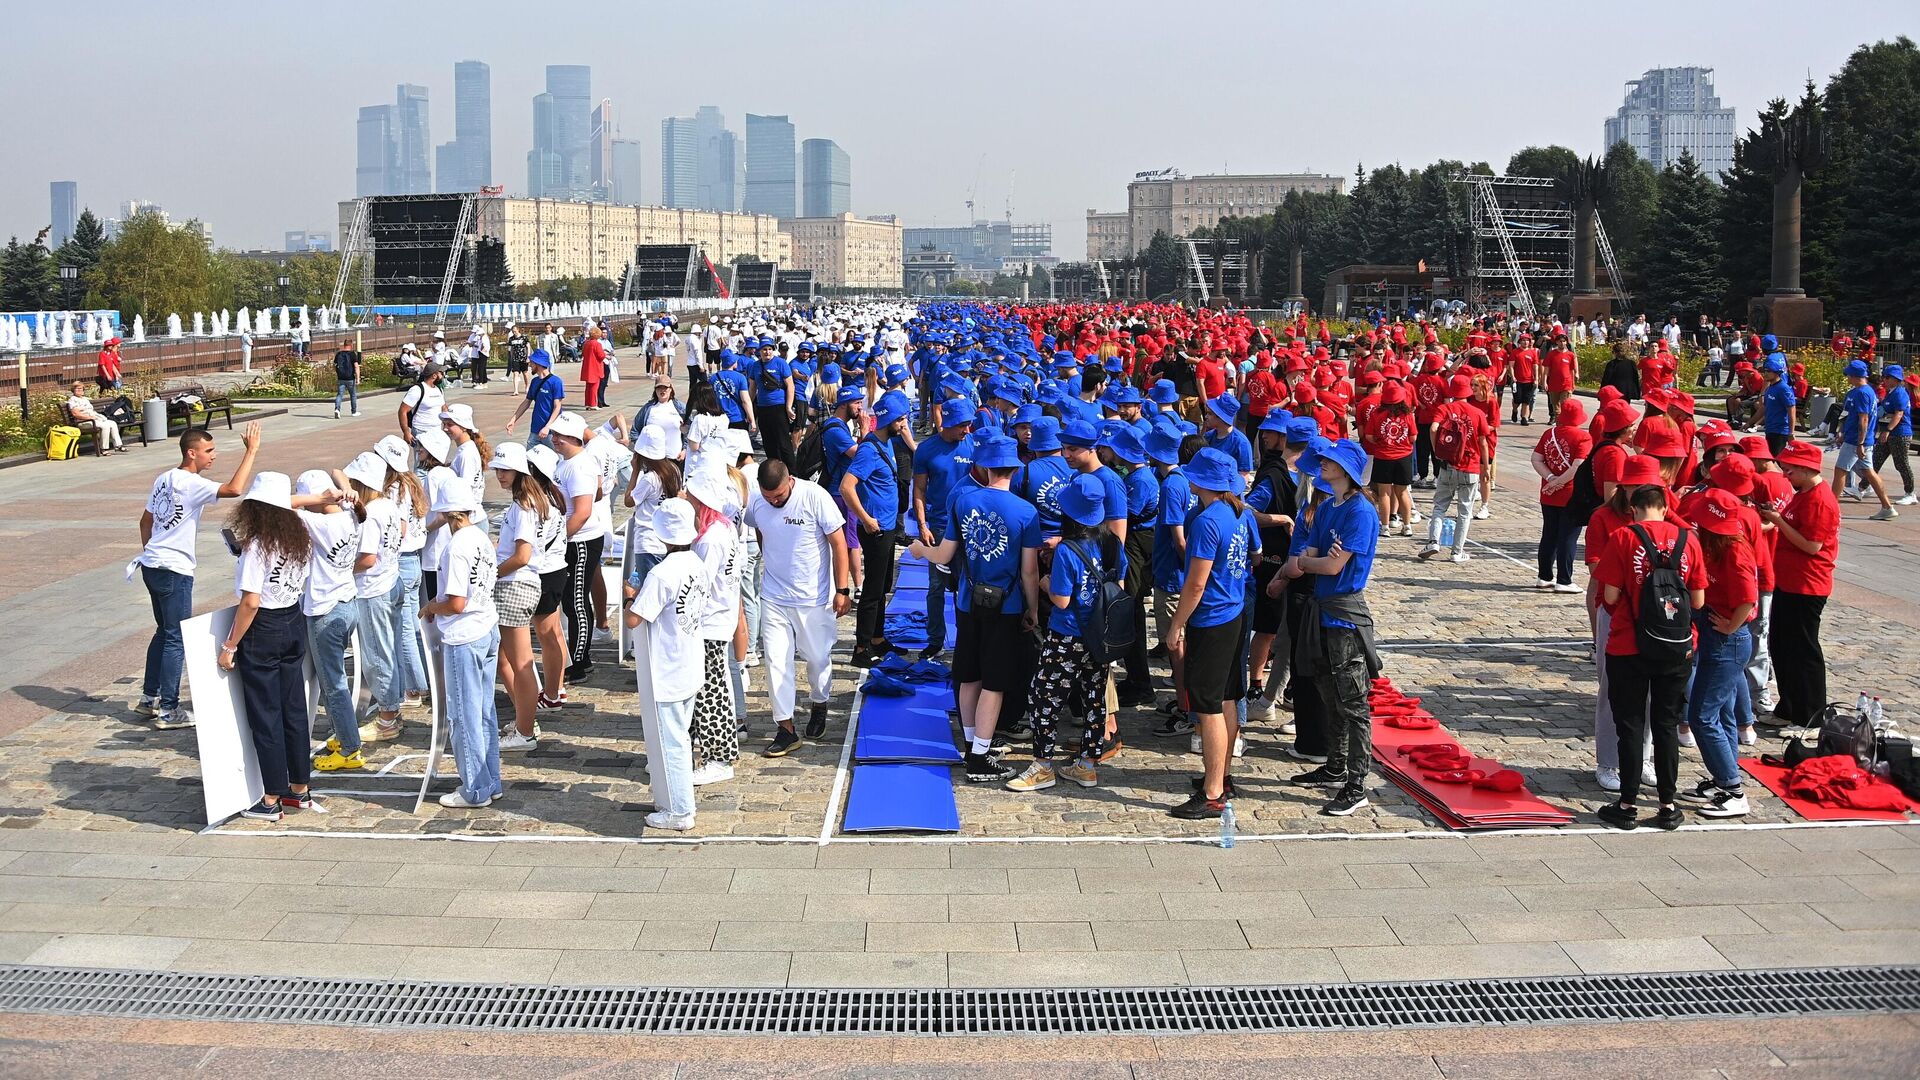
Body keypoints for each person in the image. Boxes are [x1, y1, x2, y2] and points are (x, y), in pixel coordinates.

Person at [1593, 482, 1706, 830]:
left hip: (1629, 643)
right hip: (1676, 645)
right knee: (1666, 725)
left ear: (1634, 508)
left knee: (1630, 724)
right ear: (1665, 507)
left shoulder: (1625, 538)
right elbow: (1699, 601)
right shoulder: (1689, 540)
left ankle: (1627, 805)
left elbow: (1609, 595)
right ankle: (1667, 806)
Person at [134, 423, 262, 729]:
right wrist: (252, 450)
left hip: (152, 564)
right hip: (174, 569)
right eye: (209, 451)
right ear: (191, 453)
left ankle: (148, 698)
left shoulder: (164, 478)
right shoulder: (190, 482)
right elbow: (234, 489)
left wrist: (153, 551)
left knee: (163, 631)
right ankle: (169, 709)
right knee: (175, 636)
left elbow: (145, 521)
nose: (213, 456)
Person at [1283, 439, 1381, 817]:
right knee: (1329, 693)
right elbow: (1310, 554)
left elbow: (1330, 566)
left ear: (1347, 470)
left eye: (1330, 460)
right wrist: (1315, 561)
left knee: (1354, 702)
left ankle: (1356, 784)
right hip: (1322, 611)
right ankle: (1335, 764)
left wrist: (1313, 562)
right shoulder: (1328, 509)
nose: (1322, 464)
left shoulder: (1360, 512)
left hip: (1344, 615)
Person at [1166, 447, 1258, 820]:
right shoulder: (1236, 511)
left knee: (1207, 709)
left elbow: (1196, 584)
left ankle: (1213, 792)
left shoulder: (1206, 521)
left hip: (1211, 619)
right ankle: (1223, 776)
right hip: (1233, 613)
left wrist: (1176, 625)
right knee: (1227, 699)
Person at [1005, 473, 1113, 791]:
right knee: (1094, 699)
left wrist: (1044, 582)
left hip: (1067, 635)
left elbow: (1062, 600)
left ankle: (1042, 765)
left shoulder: (1068, 551)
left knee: (1044, 697)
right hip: (1099, 633)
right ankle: (1087, 765)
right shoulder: (1111, 542)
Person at [219, 472, 314, 821]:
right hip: (293, 617)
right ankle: (299, 787)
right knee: (293, 708)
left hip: (266, 627)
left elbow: (251, 602)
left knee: (266, 714)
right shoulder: (298, 535)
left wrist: (230, 645)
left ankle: (271, 795)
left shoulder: (258, 546)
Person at [747, 459, 854, 756]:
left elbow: (838, 542)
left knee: (817, 657)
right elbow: (761, 532)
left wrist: (842, 589)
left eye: (779, 496)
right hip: (774, 596)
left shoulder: (814, 496)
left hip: (814, 598)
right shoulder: (758, 503)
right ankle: (785, 728)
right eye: (769, 498)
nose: (774, 501)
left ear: (789, 481)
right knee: (776, 662)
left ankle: (820, 702)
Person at [624, 500, 709, 831]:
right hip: (688, 660)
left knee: (671, 742)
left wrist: (631, 595)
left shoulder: (662, 573)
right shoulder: (695, 562)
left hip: (667, 669)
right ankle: (677, 800)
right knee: (680, 738)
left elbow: (634, 617)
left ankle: (680, 810)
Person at [421, 471, 503, 809]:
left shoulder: (456, 548)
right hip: (486, 627)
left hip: (464, 635)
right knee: (484, 711)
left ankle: (474, 788)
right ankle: (491, 779)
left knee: (463, 715)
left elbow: (455, 602)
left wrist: (429, 607)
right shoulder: (481, 537)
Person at [1678, 489, 1758, 819]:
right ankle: (1723, 781)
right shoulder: (1718, 545)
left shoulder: (1736, 553)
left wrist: (1729, 626)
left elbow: (1748, 600)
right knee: (1721, 714)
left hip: (1729, 641)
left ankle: (1734, 789)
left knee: (1702, 715)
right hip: (1718, 637)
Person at [1761, 441, 1839, 731]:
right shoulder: (1803, 492)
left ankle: (1810, 714)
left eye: (1790, 469)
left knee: (1803, 651)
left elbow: (1811, 545)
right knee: (1781, 646)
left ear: (1808, 469)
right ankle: (1789, 707)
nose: (1785, 474)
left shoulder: (1821, 499)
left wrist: (1778, 521)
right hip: (1788, 581)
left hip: (1807, 585)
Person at [295, 470, 367, 773]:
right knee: (334, 679)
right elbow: (343, 482)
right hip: (348, 601)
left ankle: (350, 749)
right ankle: (344, 733)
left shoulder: (319, 522)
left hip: (325, 609)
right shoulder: (351, 513)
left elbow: (274, 504)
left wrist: (318, 497)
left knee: (333, 682)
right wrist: (345, 488)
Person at [339, 451, 409, 748]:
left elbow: (367, 558)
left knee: (377, 656)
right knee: (390, 649)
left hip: (373, 589)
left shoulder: (372, 513)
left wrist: (341, 568)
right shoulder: (387, 504)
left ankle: (387, 719)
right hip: (390, 580)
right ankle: (392, 707)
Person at [490, 443, 557, 752]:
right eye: (497, 469)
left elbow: (522, 555)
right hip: (520, 583)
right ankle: (524, 720)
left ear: (519, 471)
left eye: (504, 469)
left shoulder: (524, 505)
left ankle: (526, 731)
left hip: (516, 584)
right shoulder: (529, 501)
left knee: (520, 663)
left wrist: (493, 572)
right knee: (508, 661)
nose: (499, 474)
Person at [684, 455, 746, 787]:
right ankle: (699, 748)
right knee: (707, 687)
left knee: (711, 690)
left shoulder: (710, 539)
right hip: (717, 617)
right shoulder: (722, 528)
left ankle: (718, 756)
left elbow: (699, 585)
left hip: (709, 621)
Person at [842, 395, 909, 667]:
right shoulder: (870, 450)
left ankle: (878, 638)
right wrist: (866, 519)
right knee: (872, 590)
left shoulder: (888, 443)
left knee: (883, 586)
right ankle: (861, 647)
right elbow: (847, 486)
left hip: (888, 526)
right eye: (902, 420)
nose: (905, 425)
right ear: (890, 420)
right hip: (876, 528)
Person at [911, 410, 974, 661]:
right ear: (947, 424)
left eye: (969, 426)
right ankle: (935, 640)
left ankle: (965, 641)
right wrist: (922, 525)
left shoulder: (973, 445)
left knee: (965, 587)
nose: (966, 431)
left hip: (969, 525)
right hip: (938, 526)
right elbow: (919, 489)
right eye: (962, 426)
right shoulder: (926, 450)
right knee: (936, 586)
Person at [550, 412, 604, 682]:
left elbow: (582, 511)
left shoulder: (579, 465)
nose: (554, 439)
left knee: (576, 601)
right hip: (572, 538)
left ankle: (580, 661)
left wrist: (558, 540)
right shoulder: (570, 462)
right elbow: (600, 490)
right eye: (554, 434)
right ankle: (579, 656)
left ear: (574, 438)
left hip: (581, 540)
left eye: (559, 436)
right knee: (572, 599)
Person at [1418, 375, 1488, 563]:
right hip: (1471, 466)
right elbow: (1483, 443)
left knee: (1440, 506)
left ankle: (1433, 541)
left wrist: (1437, 451)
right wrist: (1486, 466)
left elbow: (1433, 429)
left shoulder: (1444, 409)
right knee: (1464, 511)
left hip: (1448, 465)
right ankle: (1457, 552)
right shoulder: (1477, 413)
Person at [1533, 398, 1593, 593]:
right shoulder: (1583, 438)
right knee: (1568, 537)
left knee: (1549, 534)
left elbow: (1536, 459)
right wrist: (1559, 482)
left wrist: (1550, 479)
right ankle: (1564, 579)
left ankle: (1544, 576)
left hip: (1548, 493)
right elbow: (1577, 466)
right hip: (1570, 494)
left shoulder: (1548, 433)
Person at [1832, 361, 1896, 520]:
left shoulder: (1862, 393)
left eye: (1848, 375)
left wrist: (1859, 443)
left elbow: (1864, 420)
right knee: (1869, 472)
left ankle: (1831, 508)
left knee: (1840, 470)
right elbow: (1853, 417)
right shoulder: (1865, 391)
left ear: (1854, 376)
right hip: (1859, 439)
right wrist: (1843, 433)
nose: (1847, 377)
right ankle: (1887, 506)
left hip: (1856, 441)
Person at [748, 338, 796, 468]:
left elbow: (790, 386)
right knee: (768, 443)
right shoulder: (755, 366)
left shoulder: (781, 363)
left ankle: (792, 472)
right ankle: (774, 470)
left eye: (770, 349)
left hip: (779, 406)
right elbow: (752, 388)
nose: (767, 352)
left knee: (783, 442)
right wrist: (748, 408)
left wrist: (788, 407)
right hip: (763, 407)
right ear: (760, 351)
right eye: (764, 349)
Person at [1872, 365, 1916, 506]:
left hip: (1900, 434)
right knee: (1875, 460)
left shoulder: (1900, 393)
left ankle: (1910, 493)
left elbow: (1899, 414)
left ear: (1895, 379)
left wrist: (1888, 430)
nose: (1884, 379)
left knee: (1901, 464)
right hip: (1888, 433)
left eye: (1887, 377)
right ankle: (1862, 487)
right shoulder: (1891, 392)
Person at [506, 350, 565, 449]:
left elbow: (557, 407)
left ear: (539, 364)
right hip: (535, 429)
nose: (529, 365)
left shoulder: (555, 382)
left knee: (556, 460)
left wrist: (547, 427)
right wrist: (513, 420)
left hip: (551, 432)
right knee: (531, 459)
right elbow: (527, 402)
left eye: (532, 362)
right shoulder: (535, 381)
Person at [398, 364, 447, 451]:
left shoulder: (438, 389)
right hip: (421, 431)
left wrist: (448, 424)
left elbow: (443, 407)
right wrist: (406, 432)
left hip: (436, 430)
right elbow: (402, 411)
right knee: (421, 461)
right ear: (434, 375)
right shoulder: (417, 390)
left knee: (435, 460)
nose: (443, 376)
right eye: (441, 373)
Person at [66, 382, 127, 452]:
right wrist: (90, 418)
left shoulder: (84, 399)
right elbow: (76, 414)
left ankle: (118, 445)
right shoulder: (73, 400)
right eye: (77, 389)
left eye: (81, 388)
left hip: (93, 419)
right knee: (104, 426)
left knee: (112, 423)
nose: (80, 390)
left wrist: (94, 417)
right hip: (83, 422)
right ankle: (103, 448)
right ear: (73, 390)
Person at [1761, 359, 1797, 456]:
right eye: (1765, 371)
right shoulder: (1769, 388)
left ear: (1777, 373)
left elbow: (1792, 411)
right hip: (1770, 429)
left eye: (1769, 371)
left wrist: (1791, 433)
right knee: (1772, 459)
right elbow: (1764, 409)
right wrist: (1749, 423)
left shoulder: (1784, 389)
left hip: (1780, 432)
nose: (1765, 373)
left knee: (1777, 459)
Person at [579, 326, 609, 410]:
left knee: (588, 387)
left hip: (587, 367)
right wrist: (605, 354)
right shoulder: (597, 344)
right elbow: (601, 356)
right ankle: (593, 404)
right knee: (594, 387)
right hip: (595, 367)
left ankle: (588, 403)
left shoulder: (586, 343)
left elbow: (584, 354)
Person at [332, 339, 361, 419]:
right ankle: (354, 411)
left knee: (339, 395)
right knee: (353, 395)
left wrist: (338, 373)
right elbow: (356, 366)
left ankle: (337, 409)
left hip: (341, 378)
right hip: (350, 378)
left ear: (344, 345)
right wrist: (358, 378)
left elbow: (334, 365)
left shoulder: (339, 354)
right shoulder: (352, 354)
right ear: (351, 345)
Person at [505, 324, 530, 396]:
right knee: (515, 373)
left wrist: (528, 357)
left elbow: (528, 347)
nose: (514, 333)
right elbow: (511, 349)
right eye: (513, 332)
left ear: (518, 330)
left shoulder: (524, 338)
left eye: (515, 331)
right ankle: (516, 390)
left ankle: (527, 386)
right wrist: (511, 357)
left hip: (523, 358)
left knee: (525, 373)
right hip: (515, 358)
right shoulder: (511, 339)